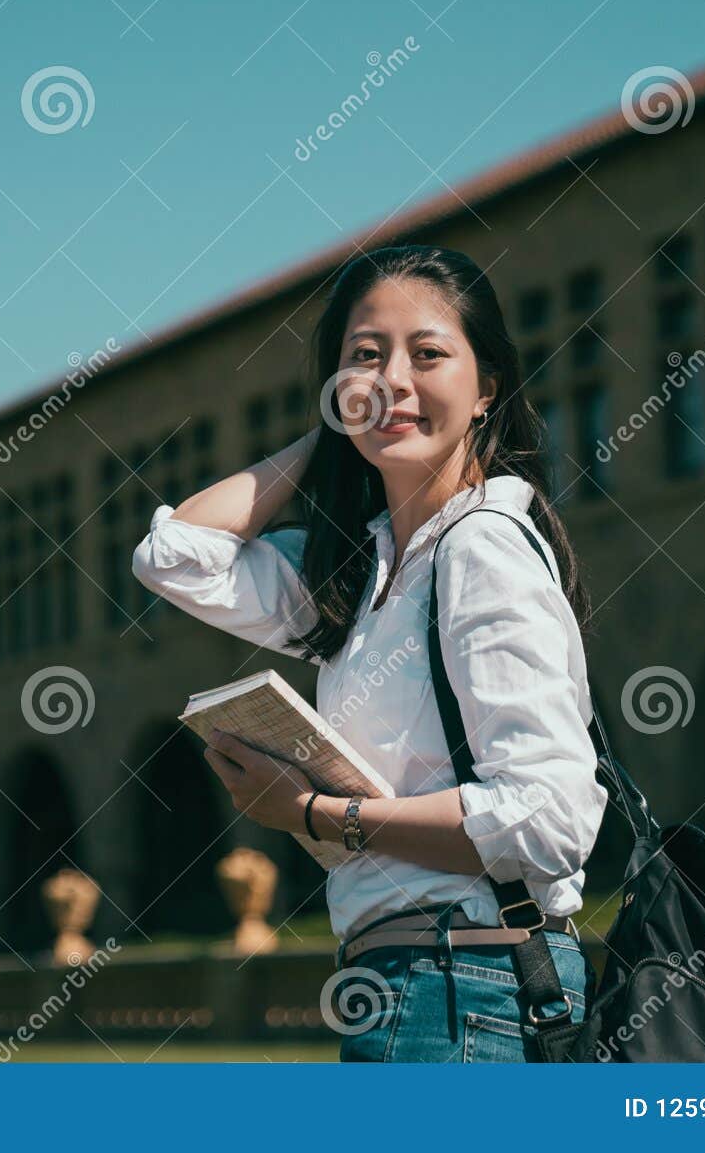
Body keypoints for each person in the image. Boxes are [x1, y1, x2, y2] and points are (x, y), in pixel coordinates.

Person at [131, 244, 607, 1062]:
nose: (392, 378)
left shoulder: (481, 546)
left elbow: (549, 818)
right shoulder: (365, 570)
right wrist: (333, 434)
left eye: (427, 354)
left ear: (486, 386)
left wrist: (318, 816)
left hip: (465, 986)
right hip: (409, 982)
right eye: (364, 358)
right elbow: (174, 557)